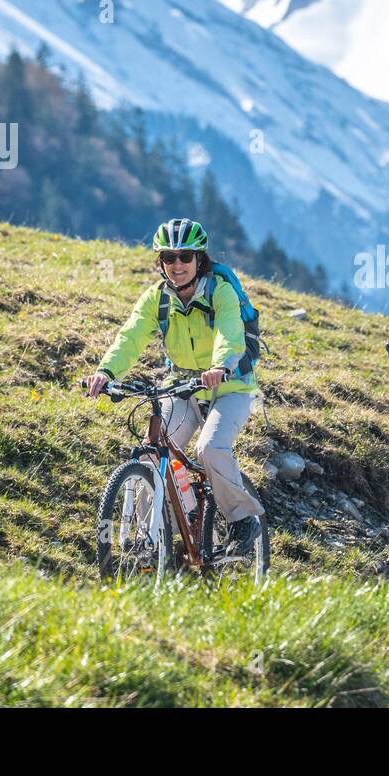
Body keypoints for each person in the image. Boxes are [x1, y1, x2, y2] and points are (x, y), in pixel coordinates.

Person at [84, 218, 264, 555]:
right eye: (169, 257)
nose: (177, 265)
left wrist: (220, 366)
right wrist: (106, 372)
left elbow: (230, 332)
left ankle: (242, 519)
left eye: (185, 256)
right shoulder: (157, 299)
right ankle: (152, 535)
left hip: (231, 388)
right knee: (152, 453)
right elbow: (131, 335)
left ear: (199, 259)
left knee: (209, 449)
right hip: (181, 387)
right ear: (161, 262)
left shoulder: (219, 291)